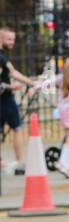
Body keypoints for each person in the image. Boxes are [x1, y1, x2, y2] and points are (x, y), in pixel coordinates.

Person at [0, 26, 35, 175]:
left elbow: (13, 72)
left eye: (13, 39)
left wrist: (29, 82)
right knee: (17, 128)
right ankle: (19, 163)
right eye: (9, 39)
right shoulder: (1, 58)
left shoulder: (3, 57)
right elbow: (10, 76)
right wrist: (11, 87)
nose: (12, 42)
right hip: (5, 100)